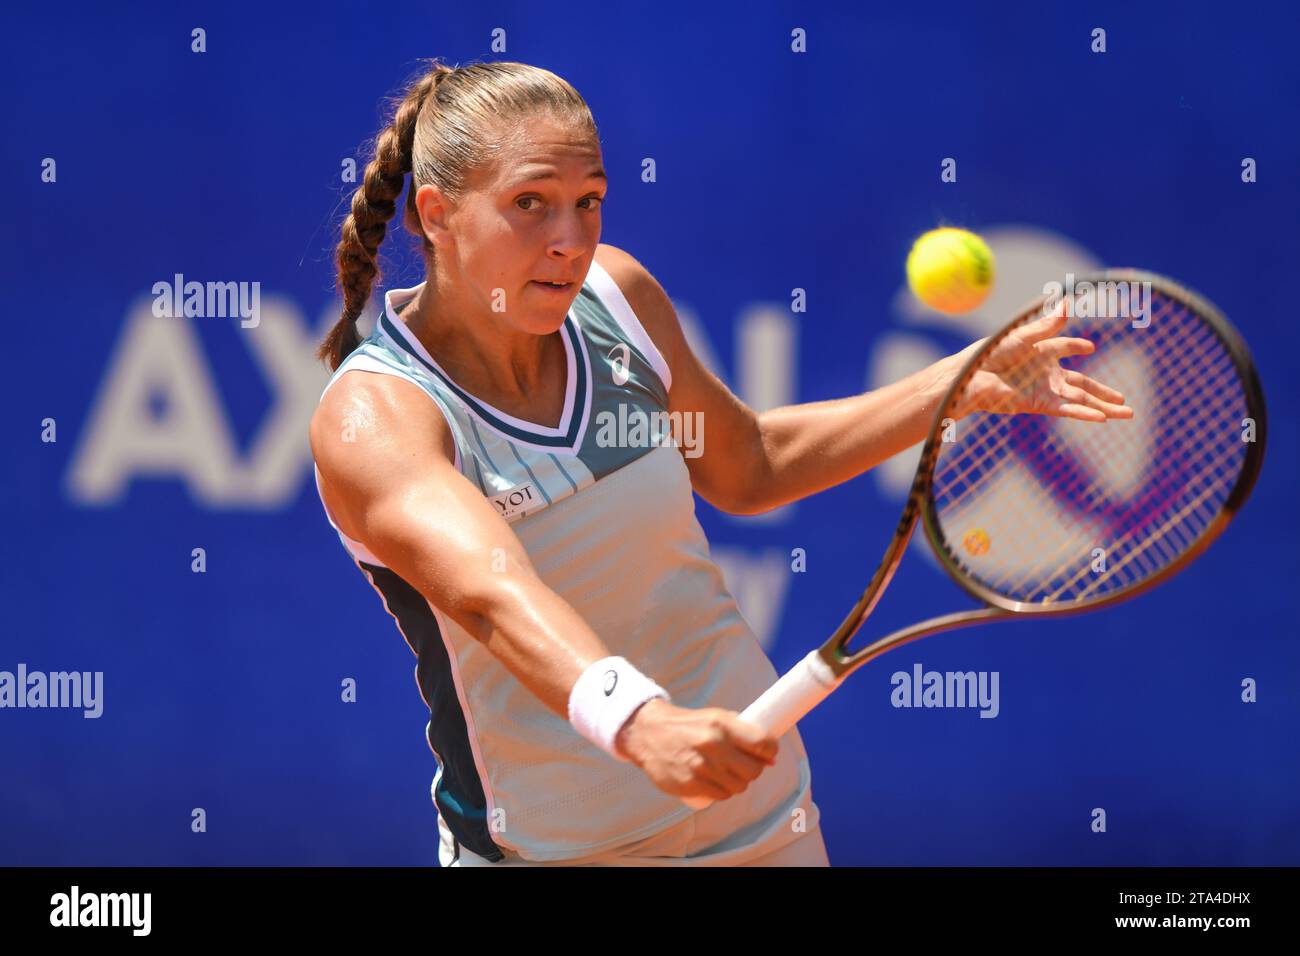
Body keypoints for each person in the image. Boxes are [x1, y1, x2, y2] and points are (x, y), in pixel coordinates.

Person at [309, 59, 1133, 867]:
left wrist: (954, 383)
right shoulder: (375, 416)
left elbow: (750, 463)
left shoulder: (616, 300)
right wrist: (640, 722)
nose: (569, 241)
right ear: (437, 213)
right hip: (549, 851)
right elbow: (492, 594)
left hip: (760, 819)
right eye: (530, 204)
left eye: (588, 203)